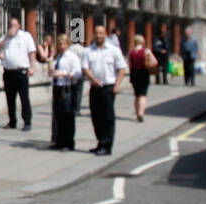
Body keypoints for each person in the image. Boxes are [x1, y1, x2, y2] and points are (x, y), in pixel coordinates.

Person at [81, 24, 128, 156]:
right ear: (93, 35)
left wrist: (118, 85)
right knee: (96, 117)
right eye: (96, 33)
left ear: (105, 34)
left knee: (107, 117)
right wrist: (93, 79)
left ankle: (107, 145)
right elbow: (85, 68)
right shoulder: (88, 51)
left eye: (101, 33)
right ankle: (100, 142)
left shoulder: (113, 50)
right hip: (95, 87)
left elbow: (122, 68)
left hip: (108, 87)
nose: (99, 35)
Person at [0, 16, 37, 130]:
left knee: (24, 97)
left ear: (19, 25)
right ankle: (12, 121)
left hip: (21, 71)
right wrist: (7, 37)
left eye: (14, 25)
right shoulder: (6, 37)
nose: (12, 28)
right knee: (10, 98)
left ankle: (27, 121)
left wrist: (32, 67)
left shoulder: (25, 36)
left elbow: (32, 52)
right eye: (10, 25)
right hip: (8, 72)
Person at [49, 34, 82, 151]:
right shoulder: (58, 57)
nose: (62, 46)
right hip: (58, 87)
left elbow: (78, 73)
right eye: (60, 44)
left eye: (64, 44)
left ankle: (68, 143)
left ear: (68, 44)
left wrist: (65, 74)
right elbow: (51, 72)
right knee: (58, 115)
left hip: (67, 87)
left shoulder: (72, 57)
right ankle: (59, 141)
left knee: (67, 116)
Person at [127, 35, 155, 122]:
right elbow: (155, 61)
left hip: (134, 74)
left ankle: (137, 112)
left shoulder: (131, 52)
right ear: (143, 42)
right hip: (144, 73)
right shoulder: (146, 51)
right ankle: (141, 113)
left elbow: (129, 65)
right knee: (143, 95)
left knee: (136, 95)